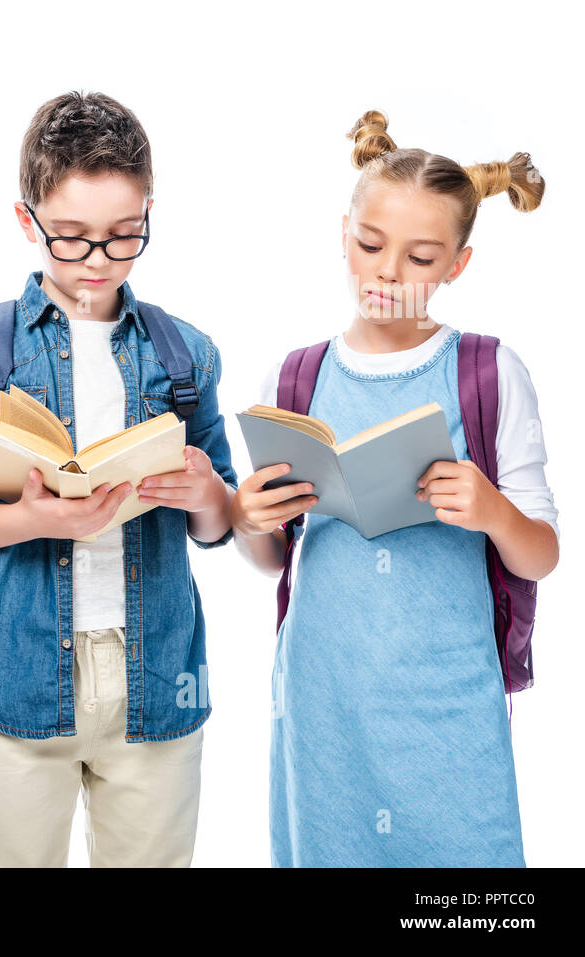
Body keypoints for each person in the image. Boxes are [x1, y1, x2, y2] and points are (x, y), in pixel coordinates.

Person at [0, 91, 237, 867]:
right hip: (15, 674)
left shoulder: (187, 354)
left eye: (124, 237)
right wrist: (30, 520)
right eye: (73, 239)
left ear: (148, 211)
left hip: (156, 676)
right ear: (28, 221)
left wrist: (207, 496)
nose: (99, 261)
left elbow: (221, 520)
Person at [231, 110, 560, 866]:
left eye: (420, 257)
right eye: (371, 245)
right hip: (322, 698)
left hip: (448, 699)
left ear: (457, 265)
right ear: (342, 233)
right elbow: (272, 560)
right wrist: (252, 519)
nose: (387, 273)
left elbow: (540, 554)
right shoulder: (294, 377)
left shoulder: (489, 372)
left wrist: (493, 510)